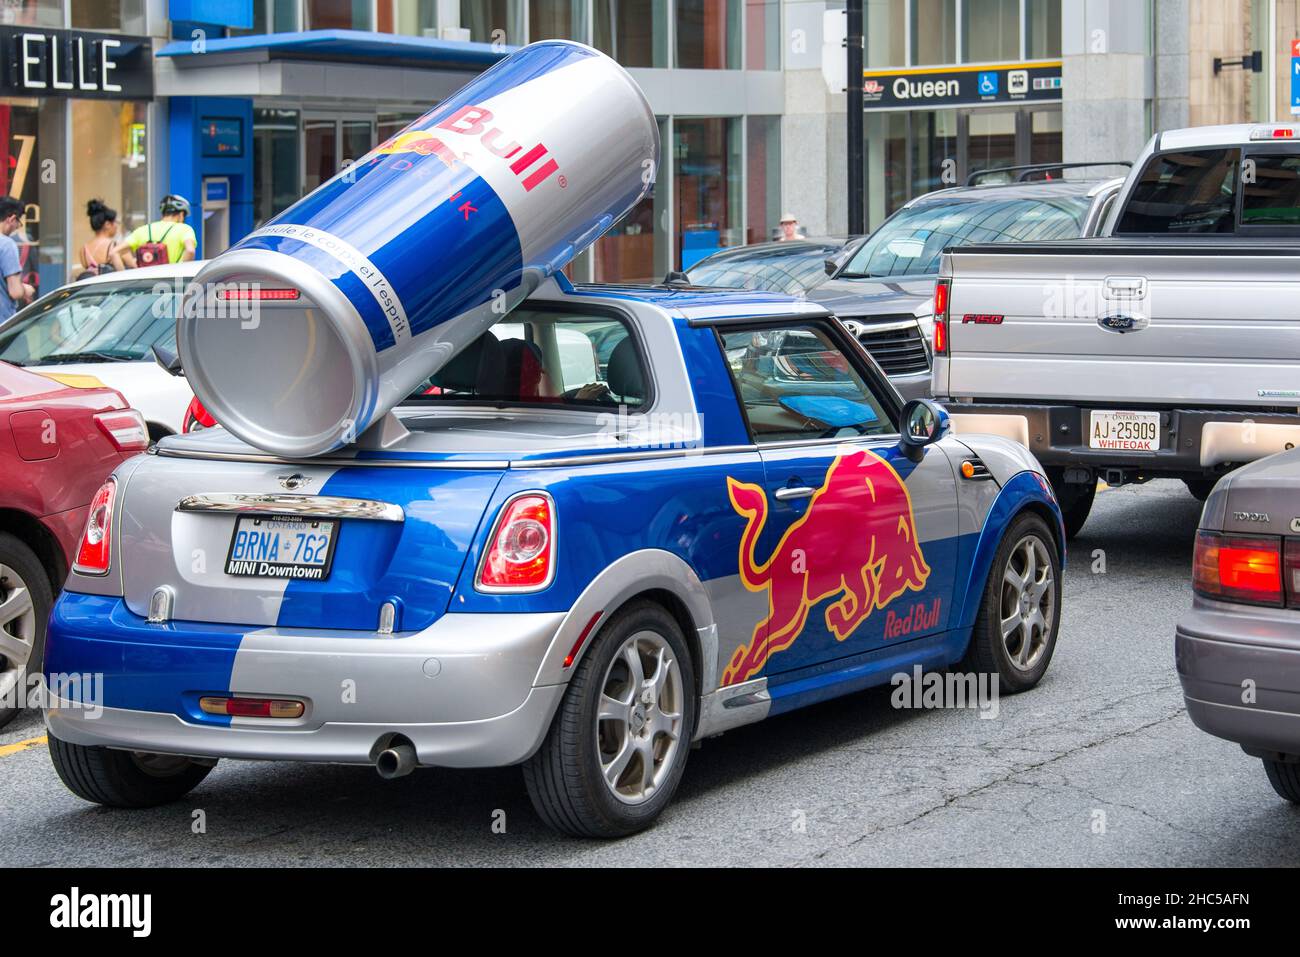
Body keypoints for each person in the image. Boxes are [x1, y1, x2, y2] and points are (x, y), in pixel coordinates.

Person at [127, 194, 196, 266]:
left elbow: (116, 252)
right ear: (181, 215)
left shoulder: (143, 229)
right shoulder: (184, 229)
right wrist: (180, 272)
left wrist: (135, 268)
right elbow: (190, 250)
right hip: (172, 276)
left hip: (145, 276)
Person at [0, 196, 35, 323]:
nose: (17, 227)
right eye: (18, 223)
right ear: (12, 218)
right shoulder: (6, 245)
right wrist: (25, 289)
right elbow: (15, 292)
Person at [77, 198, 127, 278]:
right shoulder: (116, 246)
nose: (117, 226)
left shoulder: (83, 250)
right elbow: (134, 267)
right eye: (115, 222)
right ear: (107, 224)